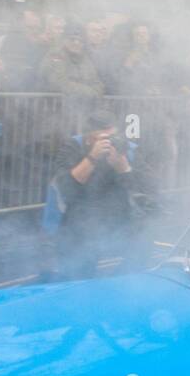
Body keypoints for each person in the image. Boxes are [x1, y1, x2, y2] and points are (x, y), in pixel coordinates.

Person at [43, 110, 136, 279]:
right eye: (103, 139)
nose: (109, 144)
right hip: (77, 225)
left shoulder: (125, 150)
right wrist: (92, 157)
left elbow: (143, 192)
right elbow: (66, 189)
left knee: (131, 272)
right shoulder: (72, 147)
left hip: (116, 225)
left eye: (112, 137)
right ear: (88, 139)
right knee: (75, 277)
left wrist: (124, 168)